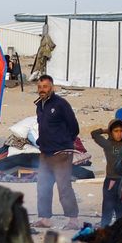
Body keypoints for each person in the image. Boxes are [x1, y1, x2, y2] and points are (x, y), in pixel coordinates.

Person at [32, 74, 80, 228]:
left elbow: (74, 127)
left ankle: (73, 220)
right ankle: (45, 219)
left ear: (52, 87)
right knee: (43, 186)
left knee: (64, 186)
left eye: (45, 87)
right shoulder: (39, 105)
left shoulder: (61, 104)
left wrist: (64, 143)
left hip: (61, 153)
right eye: (39, 87)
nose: (42, 90)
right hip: (45, 152)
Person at [92, 118, 122, 226]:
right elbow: (94, 133)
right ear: (111, 132)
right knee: (107, 208)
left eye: (121, 131)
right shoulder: (107, 144)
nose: (119, 134)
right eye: (116, 131)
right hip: (111, 181)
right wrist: (106, 130)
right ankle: (105, 229)